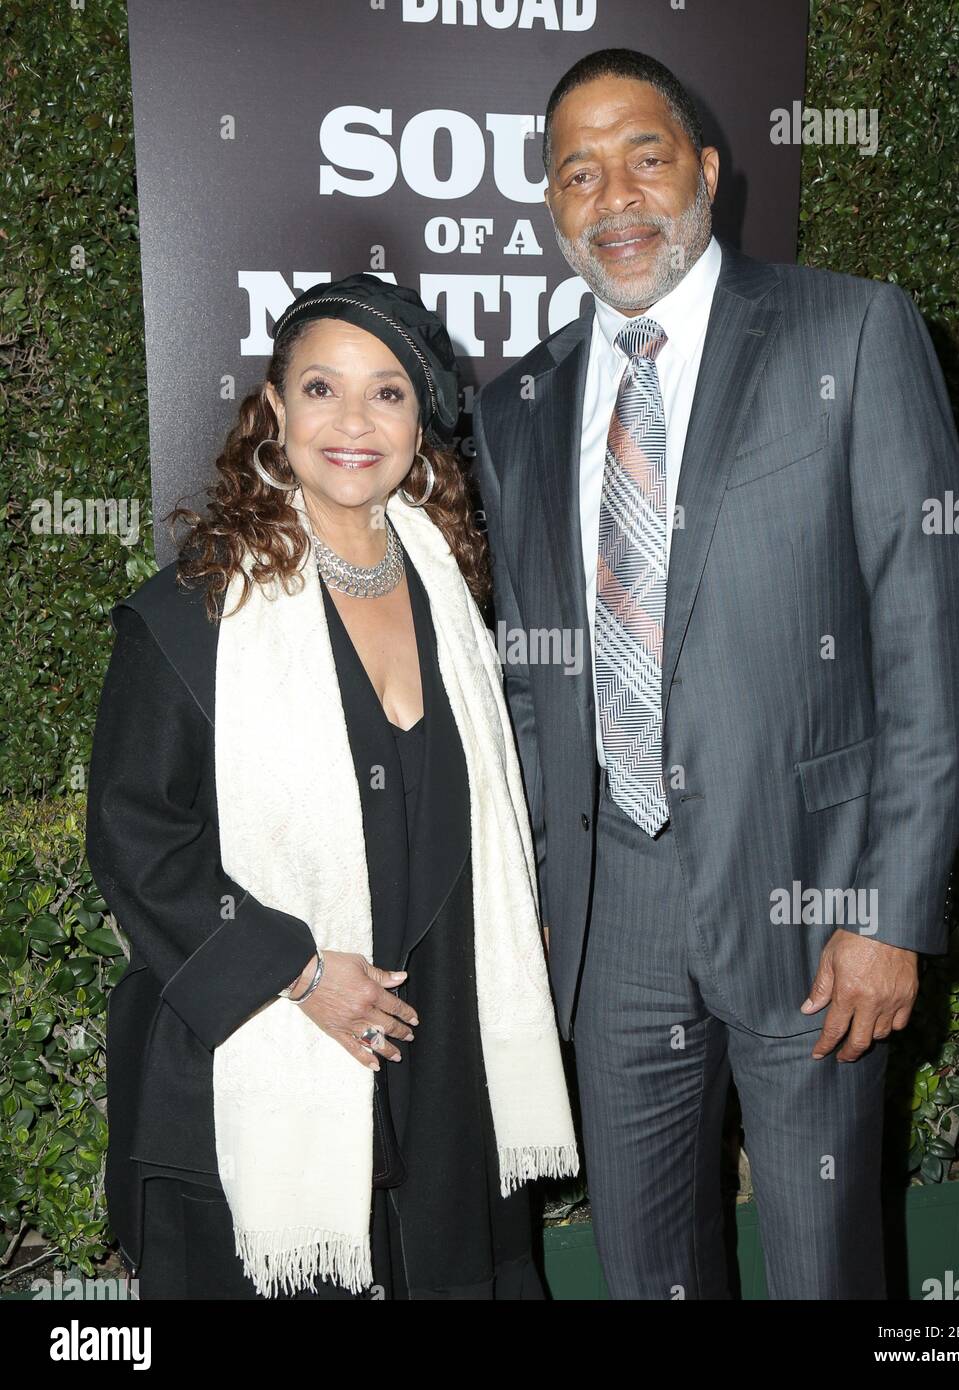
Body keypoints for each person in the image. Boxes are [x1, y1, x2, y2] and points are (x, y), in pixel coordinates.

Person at [473, 49, 959, 1300]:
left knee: (824, 1272)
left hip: (816, 897)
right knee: (650, 1273)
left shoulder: (851, 329)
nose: (617, 196)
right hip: (615, 922)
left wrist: (891, 911)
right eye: (578, 173)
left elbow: (930, 645)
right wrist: (543, 887)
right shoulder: (517, 407)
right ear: (554, 208)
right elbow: (534, 686)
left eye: (644, 156)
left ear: (705, 171)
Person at [85, 273, 578, 1300]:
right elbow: (135, 837)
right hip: (264, 1056)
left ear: (421, 422)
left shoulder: (454, 589)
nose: (354, 421)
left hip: (442, 1069)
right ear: (274, 410)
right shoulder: (195, 613)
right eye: (322, 388)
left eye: (387, 392)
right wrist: (298, 973)